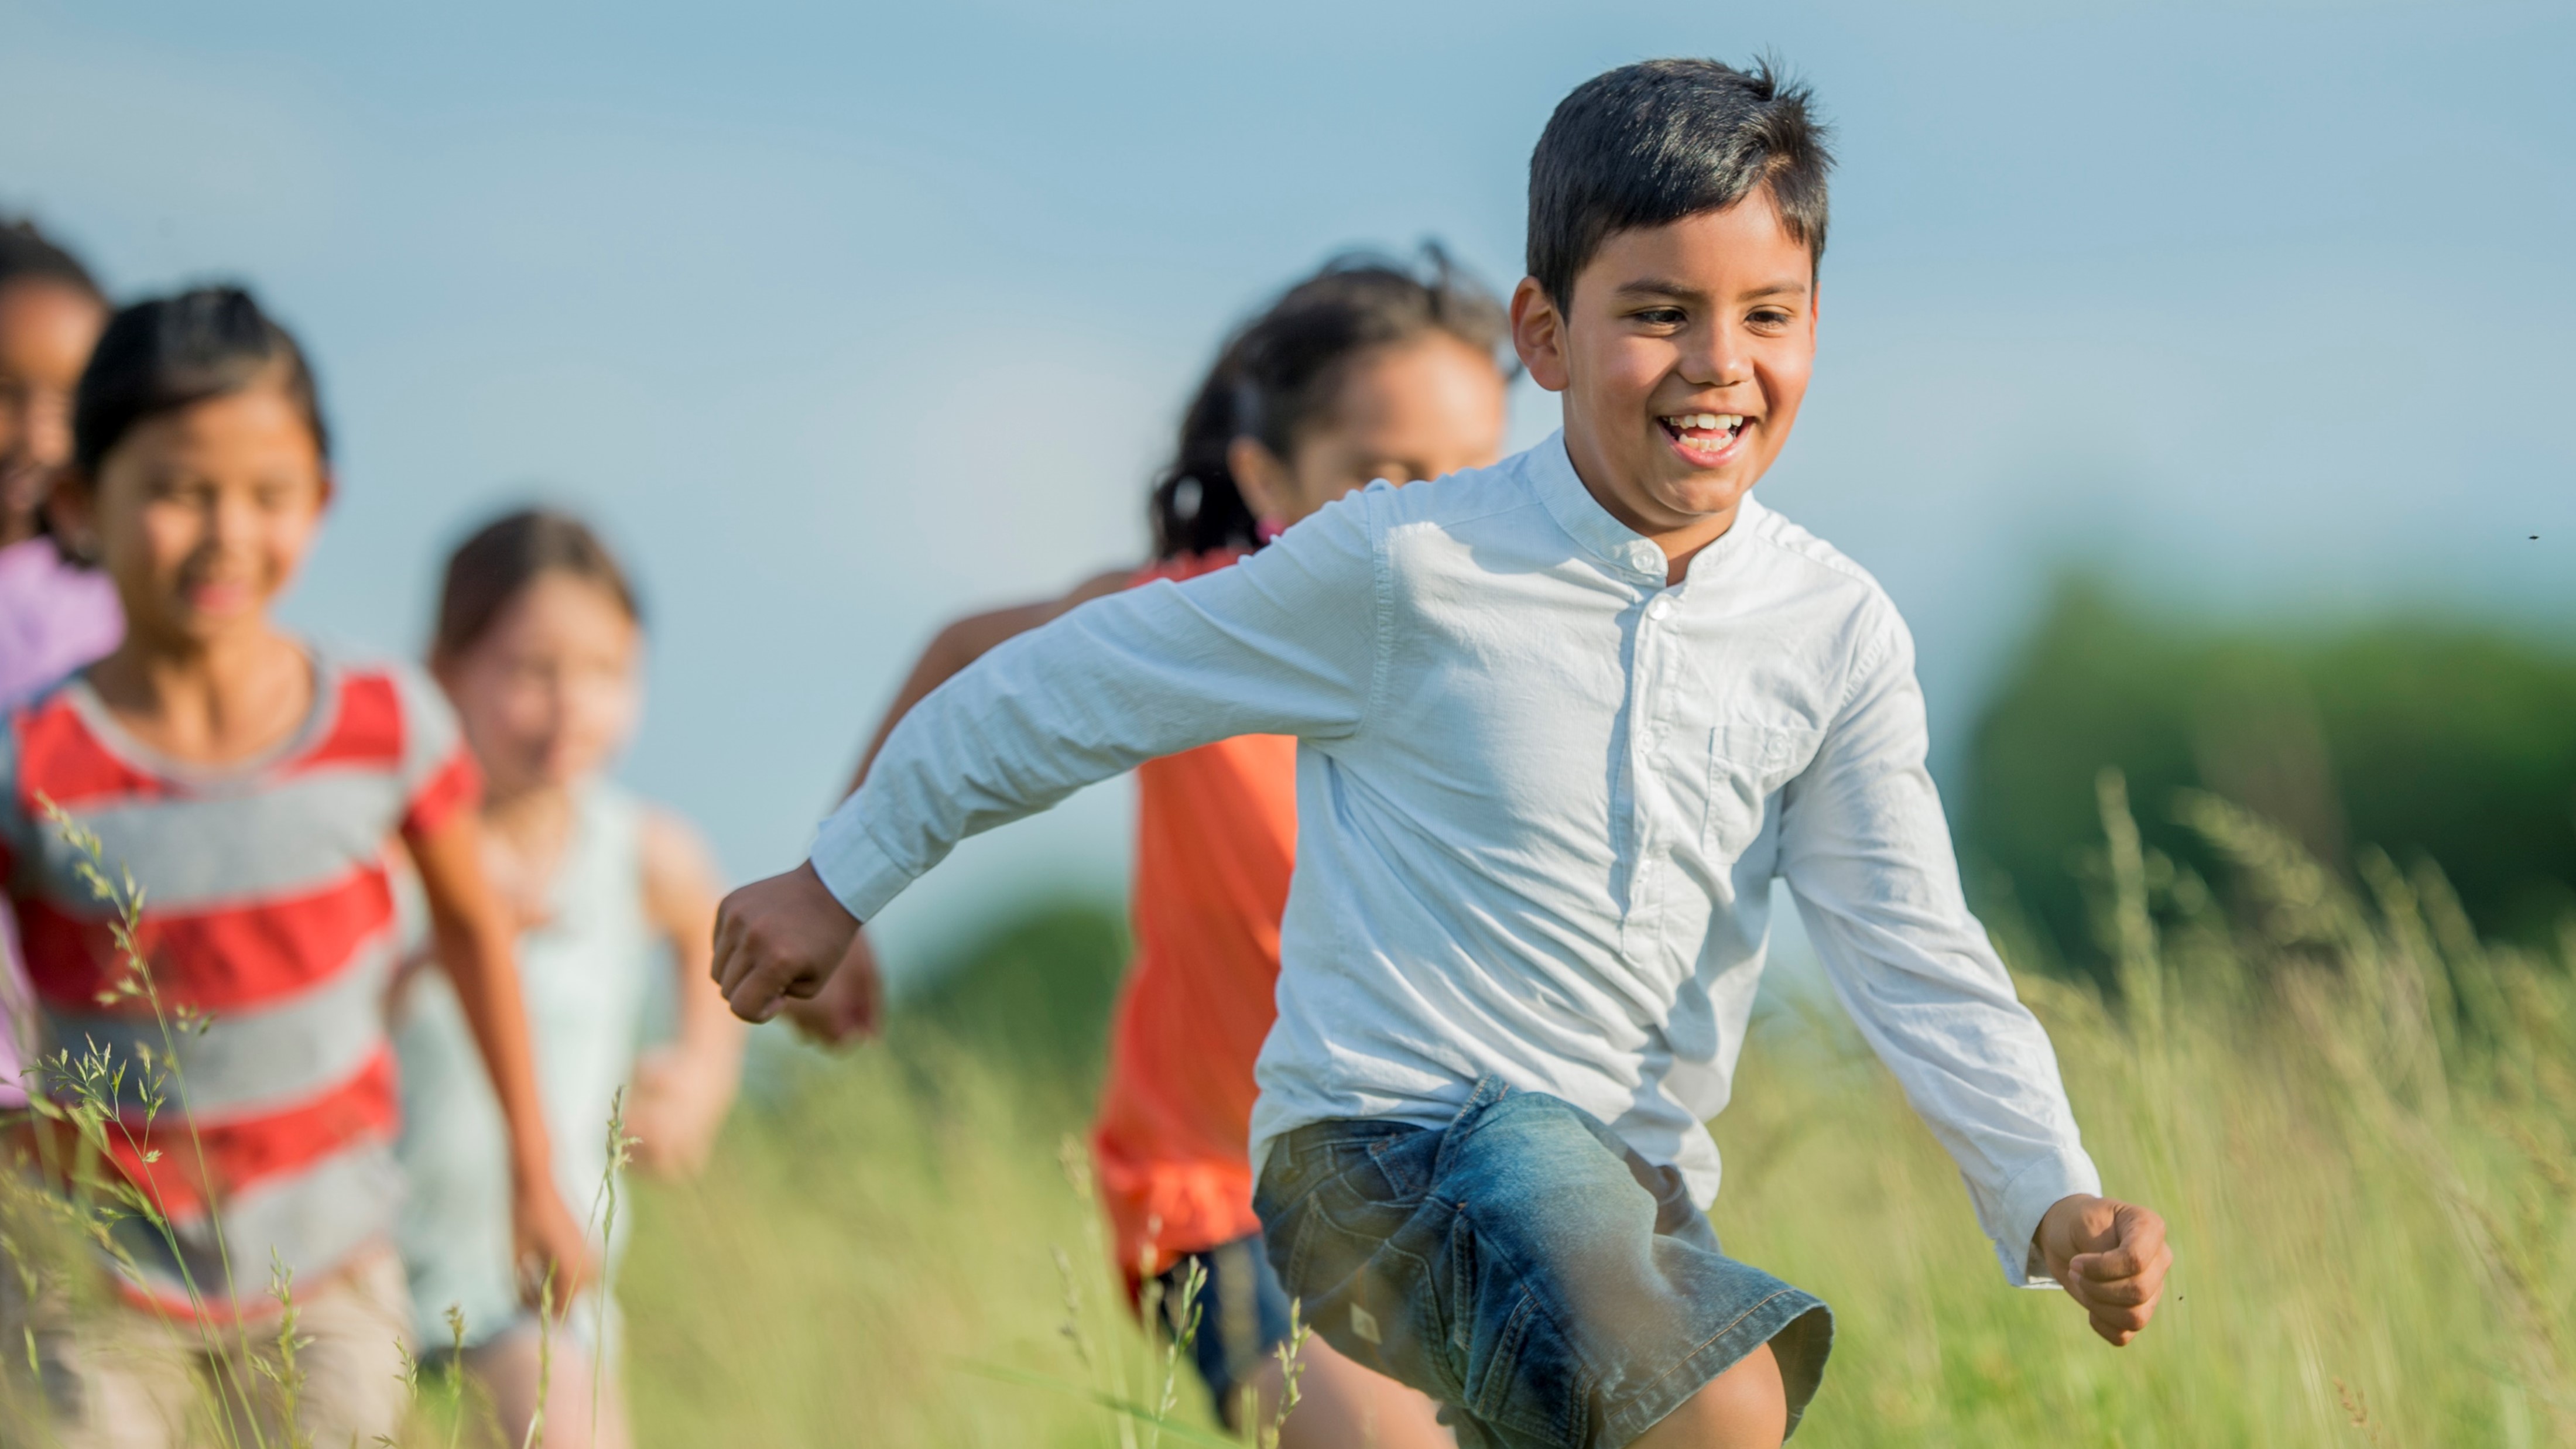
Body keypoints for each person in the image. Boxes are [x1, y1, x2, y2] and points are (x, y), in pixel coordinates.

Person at [713, 57, 2174, 1449]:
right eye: (1658, 312)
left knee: (1702, 1386)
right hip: (1389, 1146)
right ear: (1543, 334)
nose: (1718, 365)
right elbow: (1066, 682)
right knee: (1718, 1406)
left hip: (1631, 1186)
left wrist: (2048, 1193)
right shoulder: (1409, 566)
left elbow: (1912, 946)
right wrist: (838, 877)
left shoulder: (1831, 630)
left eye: (1769, 314)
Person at [790, 252, 1505, 1443]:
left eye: (1471, 478)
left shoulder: (1516, 665)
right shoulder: (1192, 626)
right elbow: (972, 651)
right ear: (1269, 476)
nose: (1426, 518)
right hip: (1208, 1198)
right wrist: (840, 891)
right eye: (1383, 476)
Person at [0, 286, 590, 1448]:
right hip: (99, 1274)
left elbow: (475, 929)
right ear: (82, 502)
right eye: (177, 491)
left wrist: (538, 1170)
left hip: (323, 1270)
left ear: (320, 499)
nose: (228, 533)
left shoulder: (385, 726)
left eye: (268, 495)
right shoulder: (34, 761)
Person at [394, 508, 745, 1449]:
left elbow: (712, 932)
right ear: (444, 669)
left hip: (539, 1282)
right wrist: (441, 952)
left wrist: (700, 1079)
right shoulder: (391, 854)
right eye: (531, 671)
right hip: (366, 1274)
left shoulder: (636, 852)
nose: (570, 706)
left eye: (605, 673)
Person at [0, 220, 118, 1113]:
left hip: (83, 1082)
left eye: (69, 403)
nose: (37, 435)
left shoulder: (115, 609)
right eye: (6, 392)